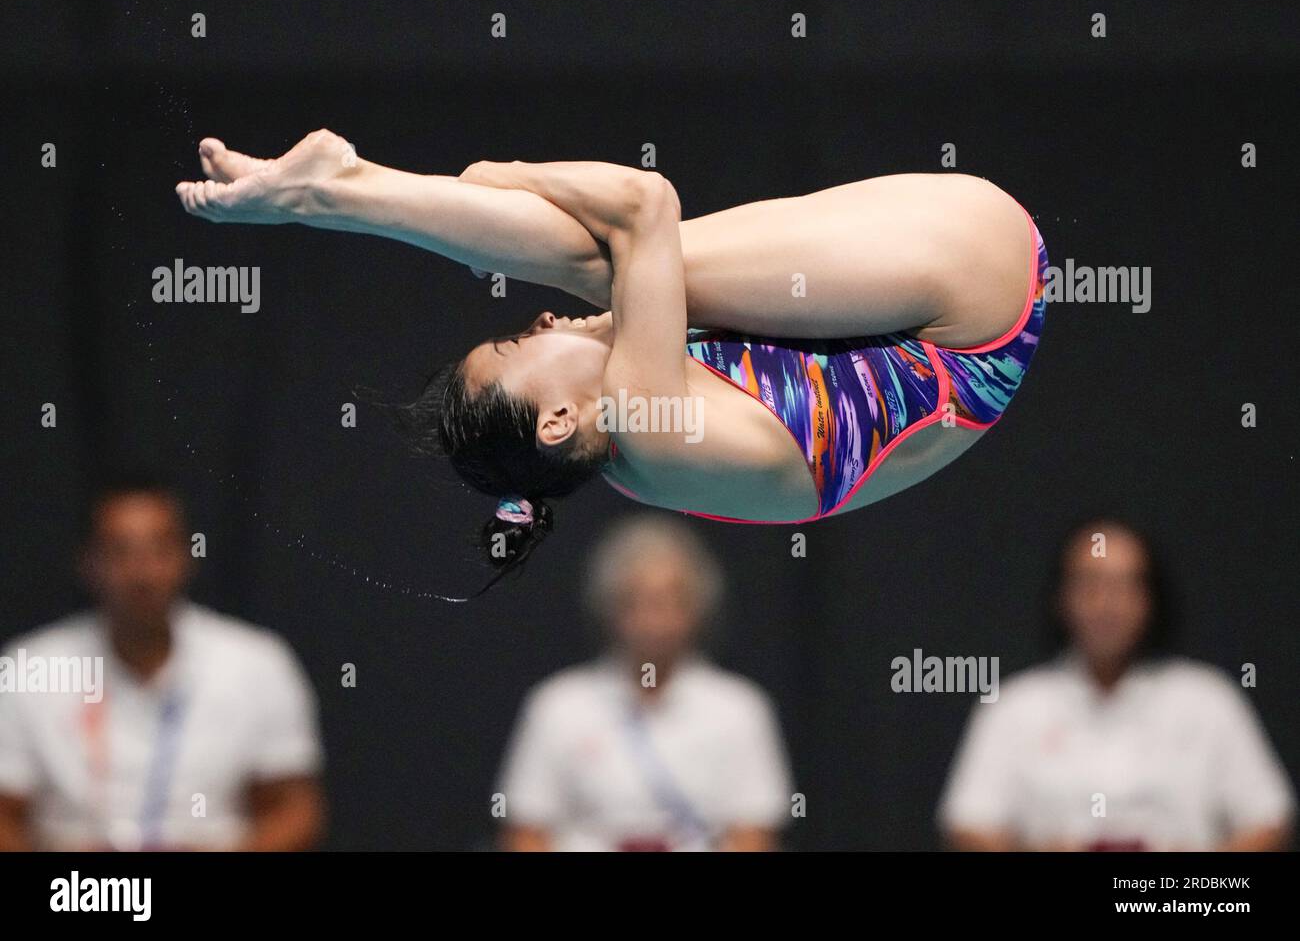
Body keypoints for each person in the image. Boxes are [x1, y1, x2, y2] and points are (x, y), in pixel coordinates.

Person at [175, 130, 1047, 585]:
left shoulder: (630, 446)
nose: (536, 327)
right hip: (972, 300)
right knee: (603, 259)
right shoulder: (641, 416)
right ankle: (336, 190)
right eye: (519, 345)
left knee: (606, 272)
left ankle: (339, 190)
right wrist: (499, 172)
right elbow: (643, 199)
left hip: (956, 313)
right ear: (557, 419)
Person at [0, 472, 325, 851]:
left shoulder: (256, 663)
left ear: (187, 556)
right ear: (88, 562)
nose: (142, 572)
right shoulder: (27, 669)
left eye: (159, 548)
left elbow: (297, 808)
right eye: (120, 551)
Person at [938, 517, 1294, 851]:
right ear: (1061, 597)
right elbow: (968, 822)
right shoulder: (1014, 705)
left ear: (1150, 599)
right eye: (1091, 585)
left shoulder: (1207, 699)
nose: (1108, 605)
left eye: (1125, 585)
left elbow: (1270, 817)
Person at [496, 514, 793, 851]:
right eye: (637, 602)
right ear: (609, 606)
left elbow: (753, 834)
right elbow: (526, 831)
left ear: (699, 607)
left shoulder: (740, 709)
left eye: (670, 602)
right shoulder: (557, 705)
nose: (654, 621)